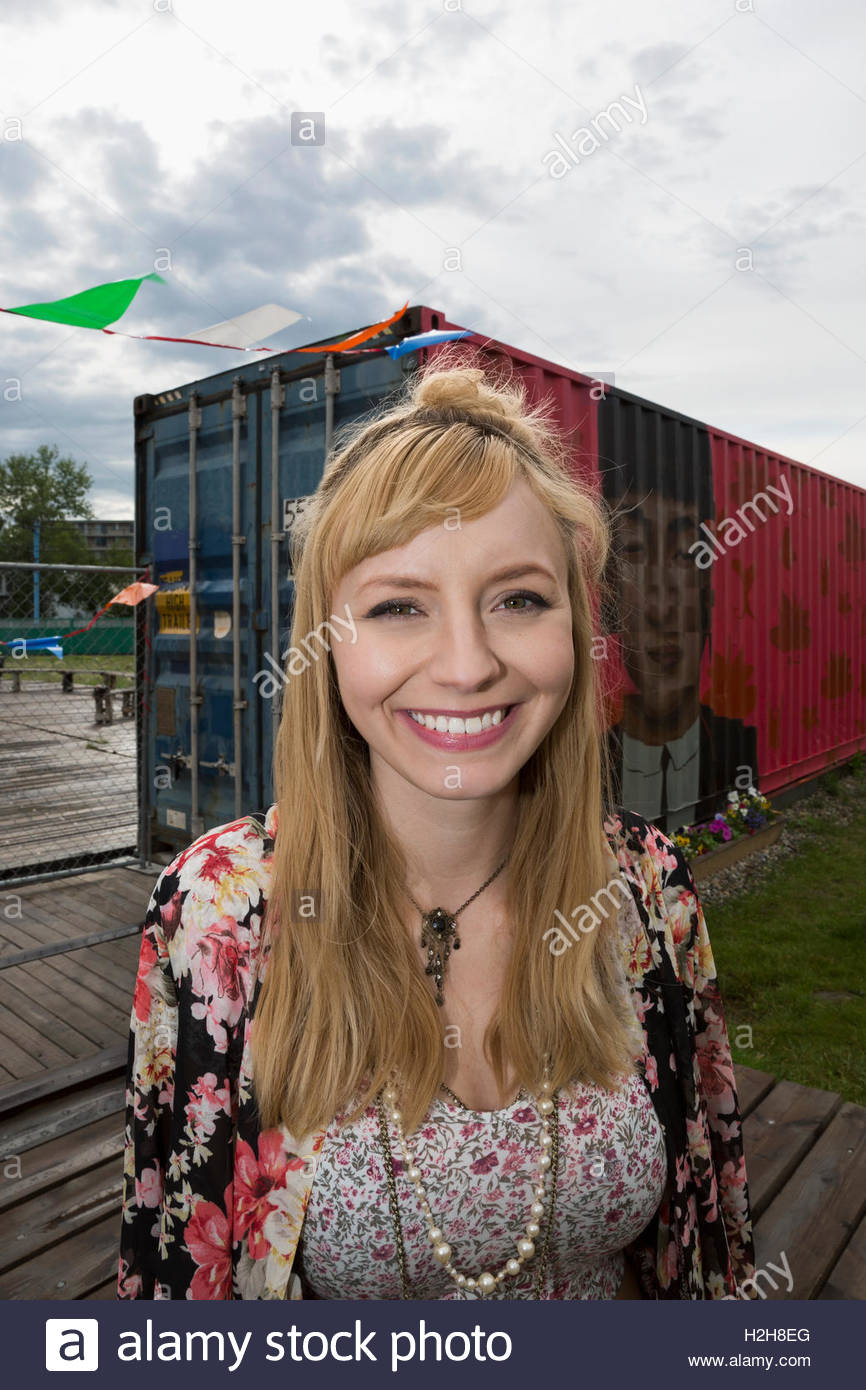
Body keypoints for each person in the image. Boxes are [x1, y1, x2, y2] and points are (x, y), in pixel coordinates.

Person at [117, 354, 757, 1301]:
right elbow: (175, 1264)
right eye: (399, 606)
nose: (466, 665)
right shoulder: (219, 910)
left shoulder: (647, 888)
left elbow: (709, 1223)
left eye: (518, 599)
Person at [598, 401, 758, 834]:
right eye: (633, 548)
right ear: (607, 586)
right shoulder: (585, 766)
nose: (662, 608)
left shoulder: (740, 752)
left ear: (709, 586)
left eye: (687, 553)